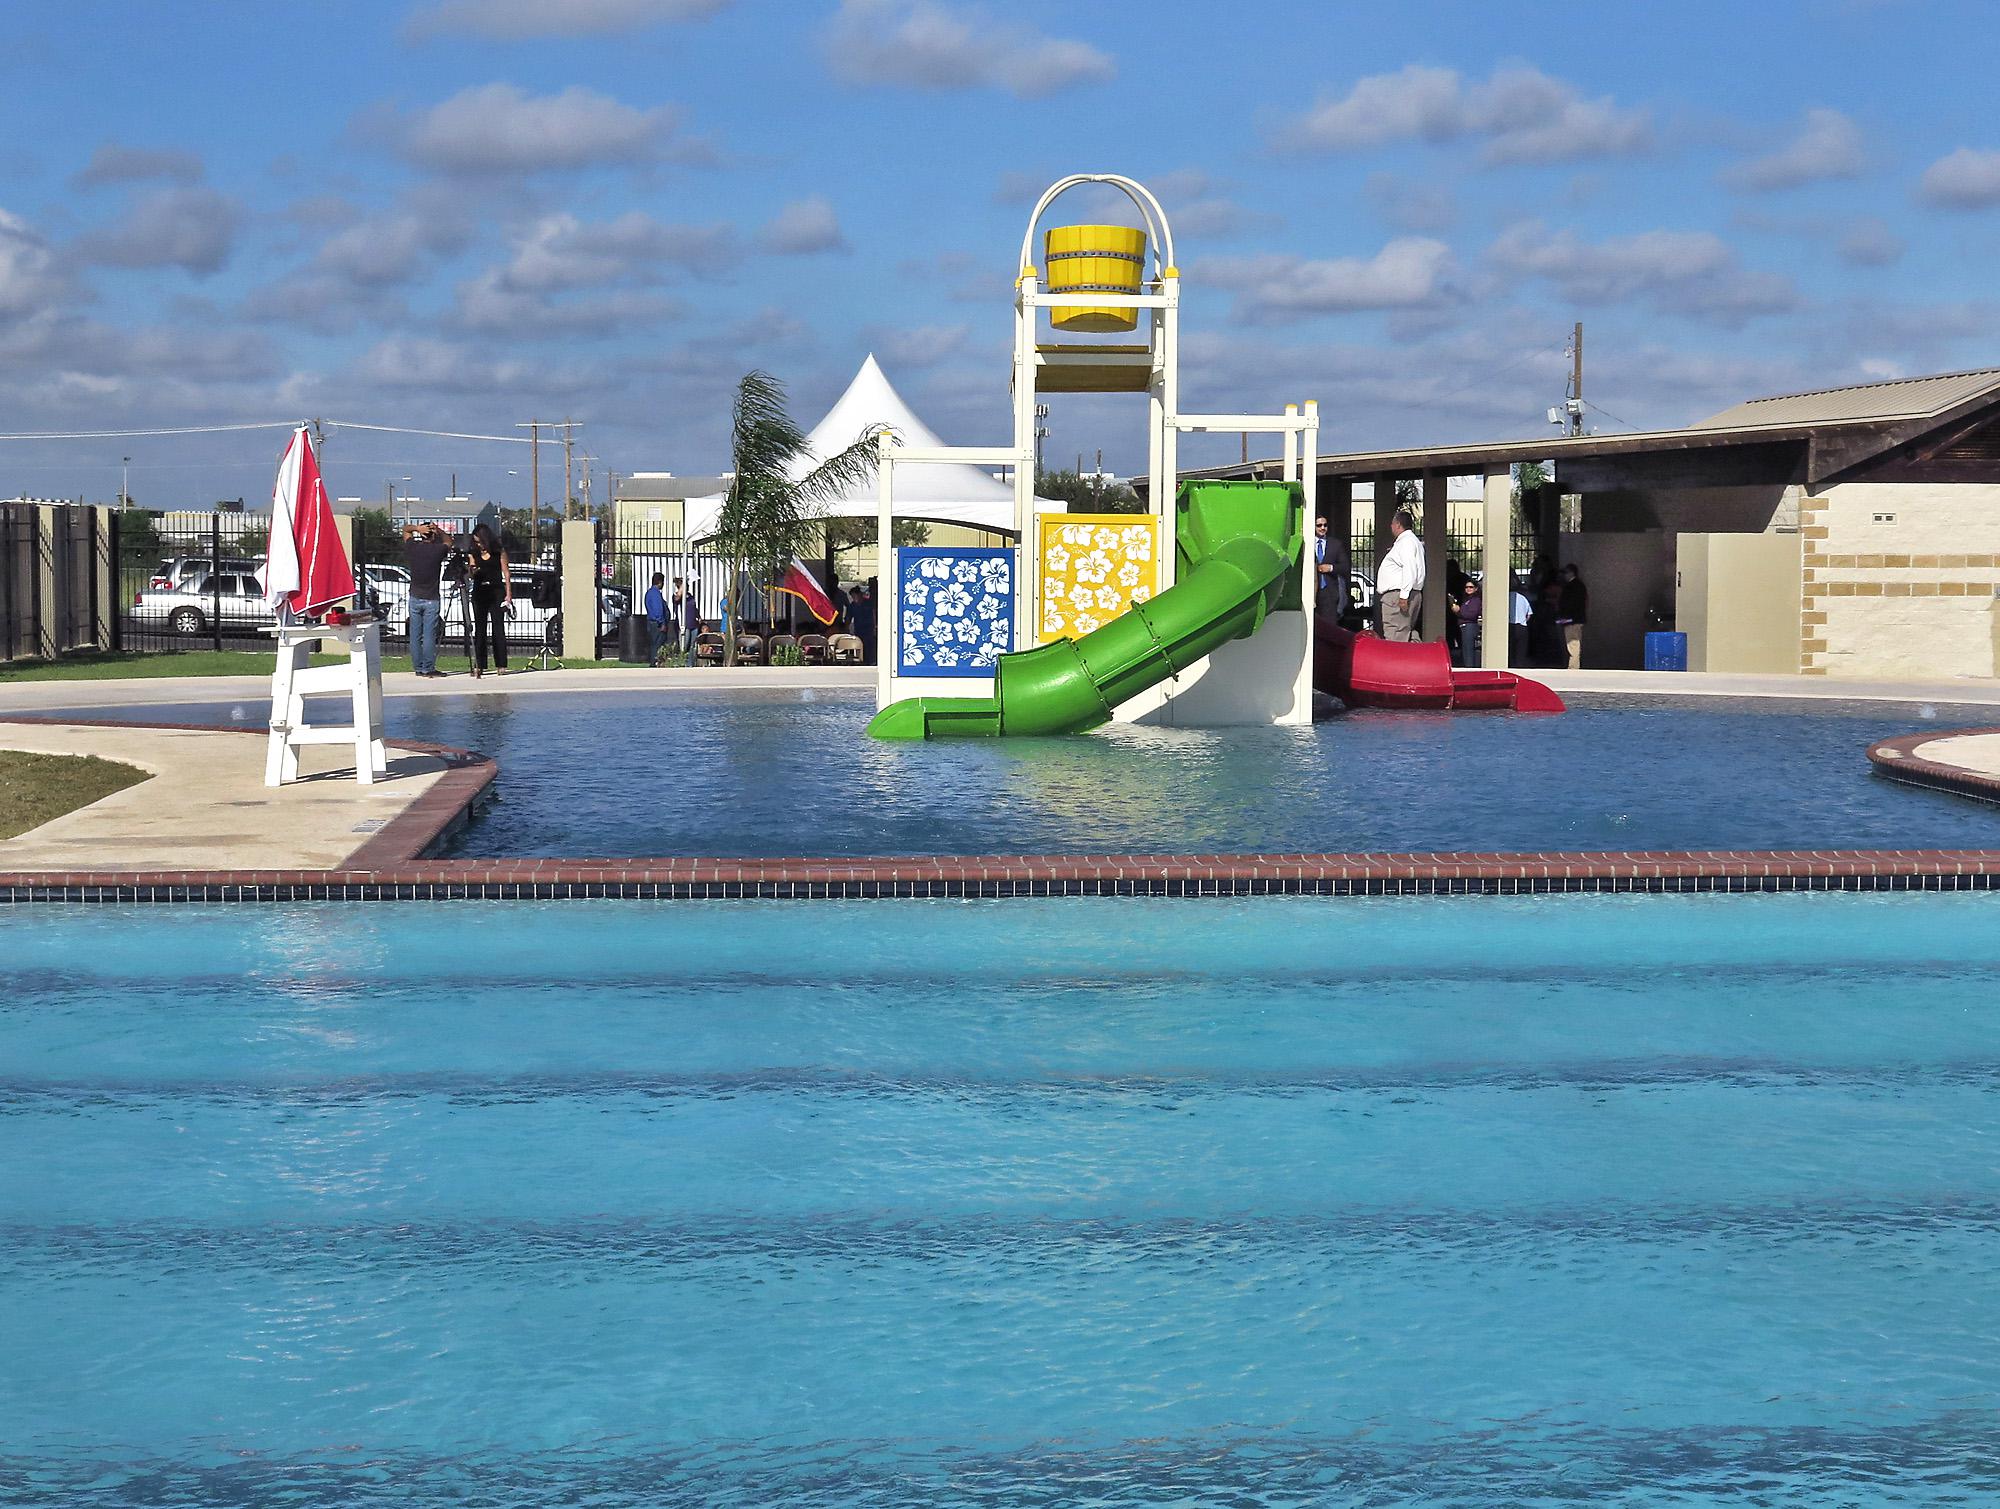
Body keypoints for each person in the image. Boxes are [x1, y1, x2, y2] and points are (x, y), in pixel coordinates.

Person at [400, 521, 452, 678]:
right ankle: (428, 668)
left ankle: (418, 666)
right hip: (431, 598)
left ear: (422, 535)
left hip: (415, 596)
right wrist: (438, 530)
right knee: (429, 635)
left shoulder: (413, 548)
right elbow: (449, 541)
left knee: (415, 635)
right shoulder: (437, 550)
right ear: (433, 536)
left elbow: (405, 530)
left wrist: (417, 529)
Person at [465, 522, 510, 678]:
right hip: (480, 592)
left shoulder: (498, 551)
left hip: (496, 591)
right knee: (480, 629)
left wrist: (508, 594)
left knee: (498, 628)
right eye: (476, 542)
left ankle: (501, 664)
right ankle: (480, 664)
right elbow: (471, 572)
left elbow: (506, 572)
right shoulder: (473, 553)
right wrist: (472, 570)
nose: (478, 544)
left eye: (480, 541)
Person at [1375, 508, 1425, 642]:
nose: (1391, 527)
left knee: (1395, 635)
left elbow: (1410, 568)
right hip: (1408, 593)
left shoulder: (1406, 542)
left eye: (1392, 524)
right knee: (1407, 633)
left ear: (1398, 524)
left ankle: (1398, 657)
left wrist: (1404, 595)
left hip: (1398, 595)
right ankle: (1416, 654)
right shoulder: (1413, 542)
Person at [1312, 515, 1349, 624]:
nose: (1322, 528)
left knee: (1329, 626)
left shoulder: (1335, 544)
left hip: (1329, 592)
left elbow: (1345, 567)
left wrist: (1331, 568)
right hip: (1311, 591)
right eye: (1319, 525)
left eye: (1325, 525)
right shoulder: (1308, 543)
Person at [1557, 563, 1588, 670]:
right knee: (1574, 644)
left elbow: (1571, 603)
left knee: (1573, 644)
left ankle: (1573, 668)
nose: (1564, 575)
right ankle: (1573, 666)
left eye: (1566, 573)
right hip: (1575, 619)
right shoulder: (1578, 585)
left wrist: (1565, 616)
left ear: (1571, 573)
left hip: (1572, 620)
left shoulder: (1572, 586)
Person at [643, 572, 671, 666]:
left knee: (654, 645)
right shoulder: (655, 594)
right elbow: (658, 609)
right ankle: (655, 663)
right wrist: (662, 622)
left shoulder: (650, 593)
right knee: (658, 646)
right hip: (657, 624)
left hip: (652, 623)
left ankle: (654, 662)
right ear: (660, 582)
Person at [846, 579, 876, 664]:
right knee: (859, 645)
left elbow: (873, 614)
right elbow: (848, 617)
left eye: (854, 596)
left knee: (869, 646)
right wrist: (846, 627)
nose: (854, 598)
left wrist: (875, 627)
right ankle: (861, 661)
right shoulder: (852, 606)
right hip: (859, 629)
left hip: (868, 629)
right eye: (852, 596)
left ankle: (870, 661)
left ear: (859, 594)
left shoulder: (868, 603)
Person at [1456, 577, 1482, 667]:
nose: (1468, 589)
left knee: (1469, 650)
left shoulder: (1475, 600)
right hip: (1465, 627)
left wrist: (1459, 611)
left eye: (1471, 587)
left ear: (1476, 588)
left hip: (1470, 627)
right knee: (1466, 650)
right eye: (1466, 587)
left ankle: (1470, 668)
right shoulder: (1467, 600)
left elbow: (1472, 615)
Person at [675, 576, 701, 659]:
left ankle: (691, 662)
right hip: (685, 625)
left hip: (694, 624)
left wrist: (698, 616)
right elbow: (677, 598)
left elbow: (694, 607)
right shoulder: (677, 596)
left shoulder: (690, 596)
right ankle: (683, 660)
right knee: (684, 645)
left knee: (693, 646)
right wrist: (682, 587)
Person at [1509, 578, 1531, 666]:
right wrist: (1523, 620)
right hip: (1522, 627)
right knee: (1521, 651)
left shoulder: (1505, 598)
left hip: (1510, 626)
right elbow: (1529, 614)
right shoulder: (1523, 598)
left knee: (1510, 651)